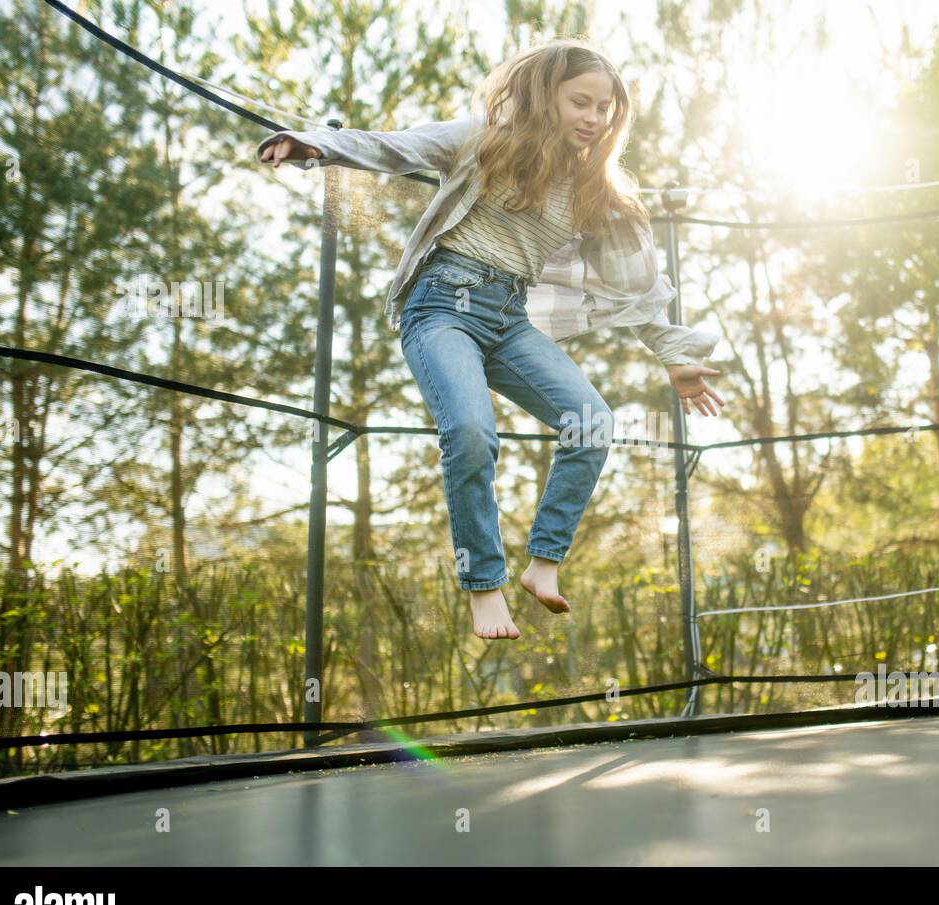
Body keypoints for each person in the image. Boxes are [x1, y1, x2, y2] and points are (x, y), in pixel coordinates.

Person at [258, 38, 725, 641]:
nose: (593, 117)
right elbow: (396, 148)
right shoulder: (486, 139)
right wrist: (314, 145)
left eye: (604, 108)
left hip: (508, 319)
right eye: (580, 101)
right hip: (439, 310)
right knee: (472, 432)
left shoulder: (594, 188)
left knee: (591, 422)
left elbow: (634, 283)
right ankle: (483, 585)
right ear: (545, 95)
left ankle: (544, 564)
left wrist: (675, 355)